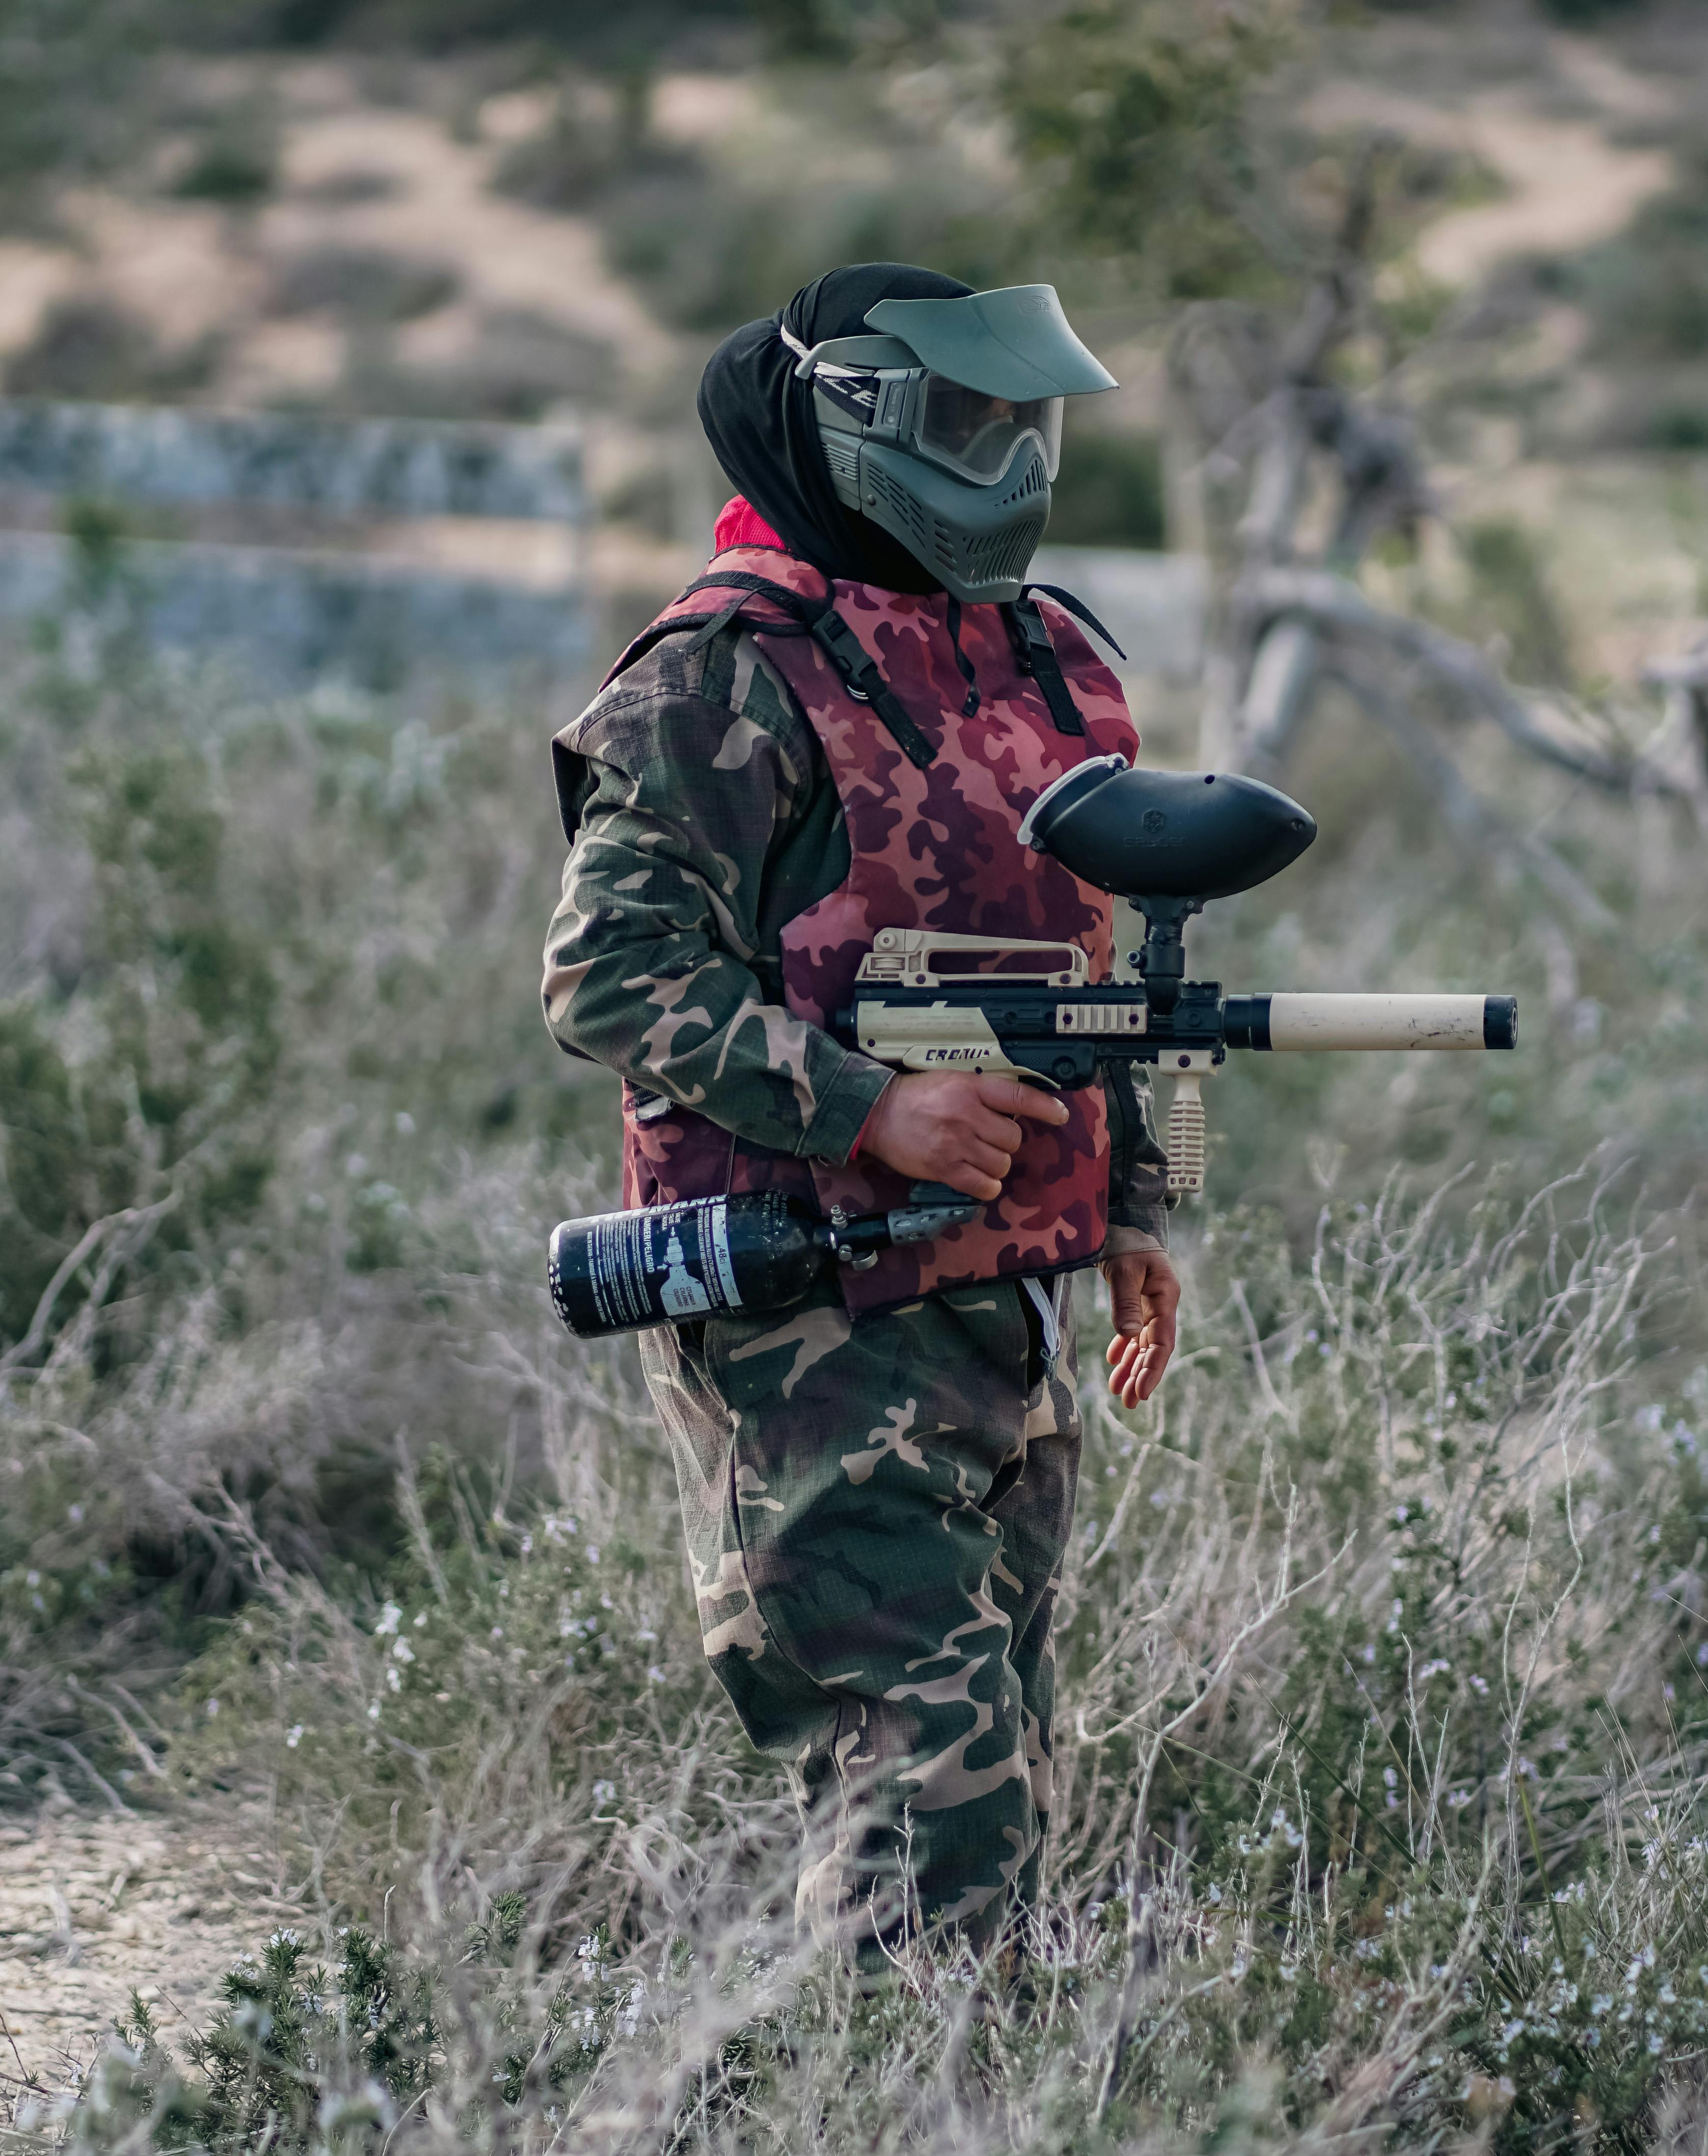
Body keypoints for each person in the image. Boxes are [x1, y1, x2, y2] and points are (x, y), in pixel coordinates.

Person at [539, 263, 1181, 1956]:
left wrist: (1133, 1206)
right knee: (927, 1796)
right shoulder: (722, 672)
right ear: (862, 424)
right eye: (967, 420)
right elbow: (604, 974)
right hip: (814, 1316)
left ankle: (956, 2103)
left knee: (1013, 1774)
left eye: (1018, 421)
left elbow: (1091, 961)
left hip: (1005, 1308)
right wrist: (866, 1108)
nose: (1010, 458)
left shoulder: (1042, 655)